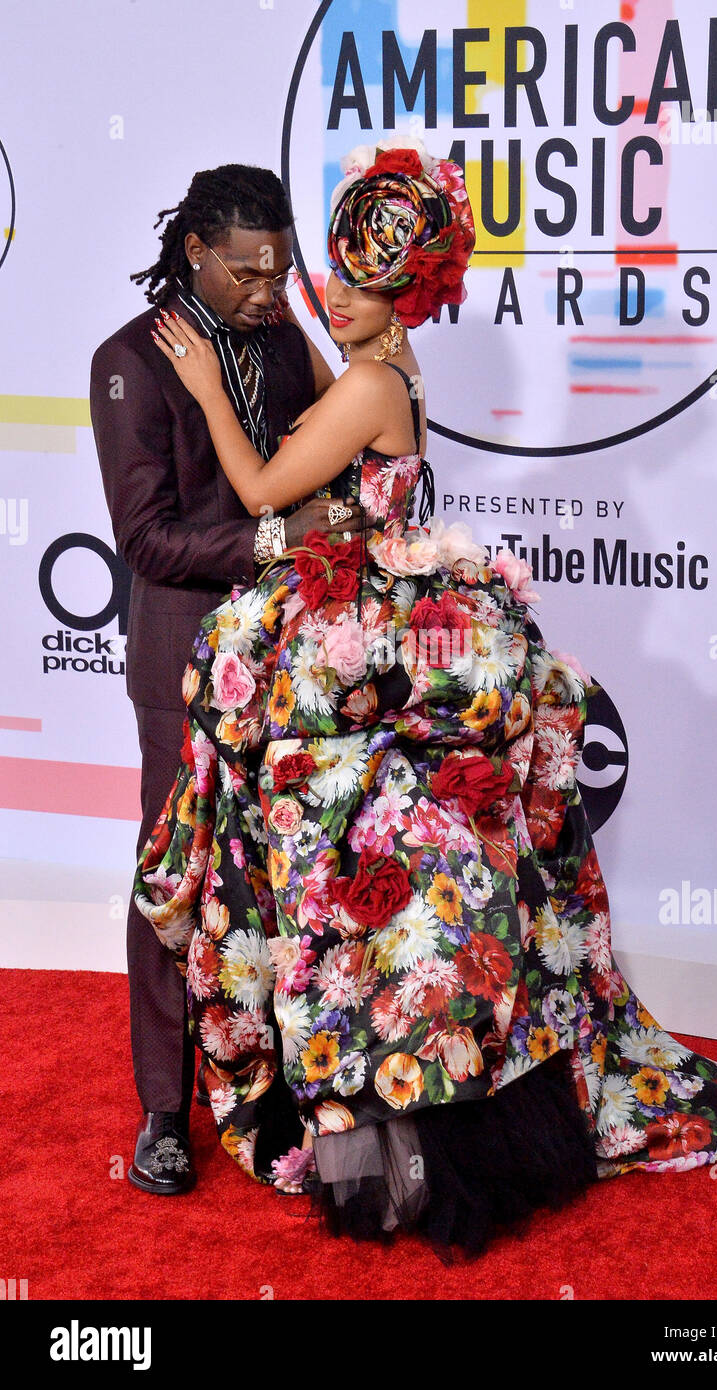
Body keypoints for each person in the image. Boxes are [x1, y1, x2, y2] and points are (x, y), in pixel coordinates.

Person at [133, 140, 717, 1252]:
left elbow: (263, 489)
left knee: (342, 863)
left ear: (396, 291)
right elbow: (337, 424)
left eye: (351, 285)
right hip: (387, 608)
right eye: (332, 280)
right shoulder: (388, 365)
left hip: (362, 623)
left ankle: (373, 1108)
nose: (326, 298)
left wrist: (198, 390)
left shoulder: (369, 379)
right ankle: (397, 1101)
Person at [90, 163, 366, 1196]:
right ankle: (163, 1108)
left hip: (290, 656)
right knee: (173, 884)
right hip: (184, 664)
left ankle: (280, 1085)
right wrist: (274, 537)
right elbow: (148, 539)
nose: (266, 289)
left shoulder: (285, 343)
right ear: (195, 251)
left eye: (279, 271)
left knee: (285, 876)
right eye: (247, 272)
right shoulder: (128, 363)